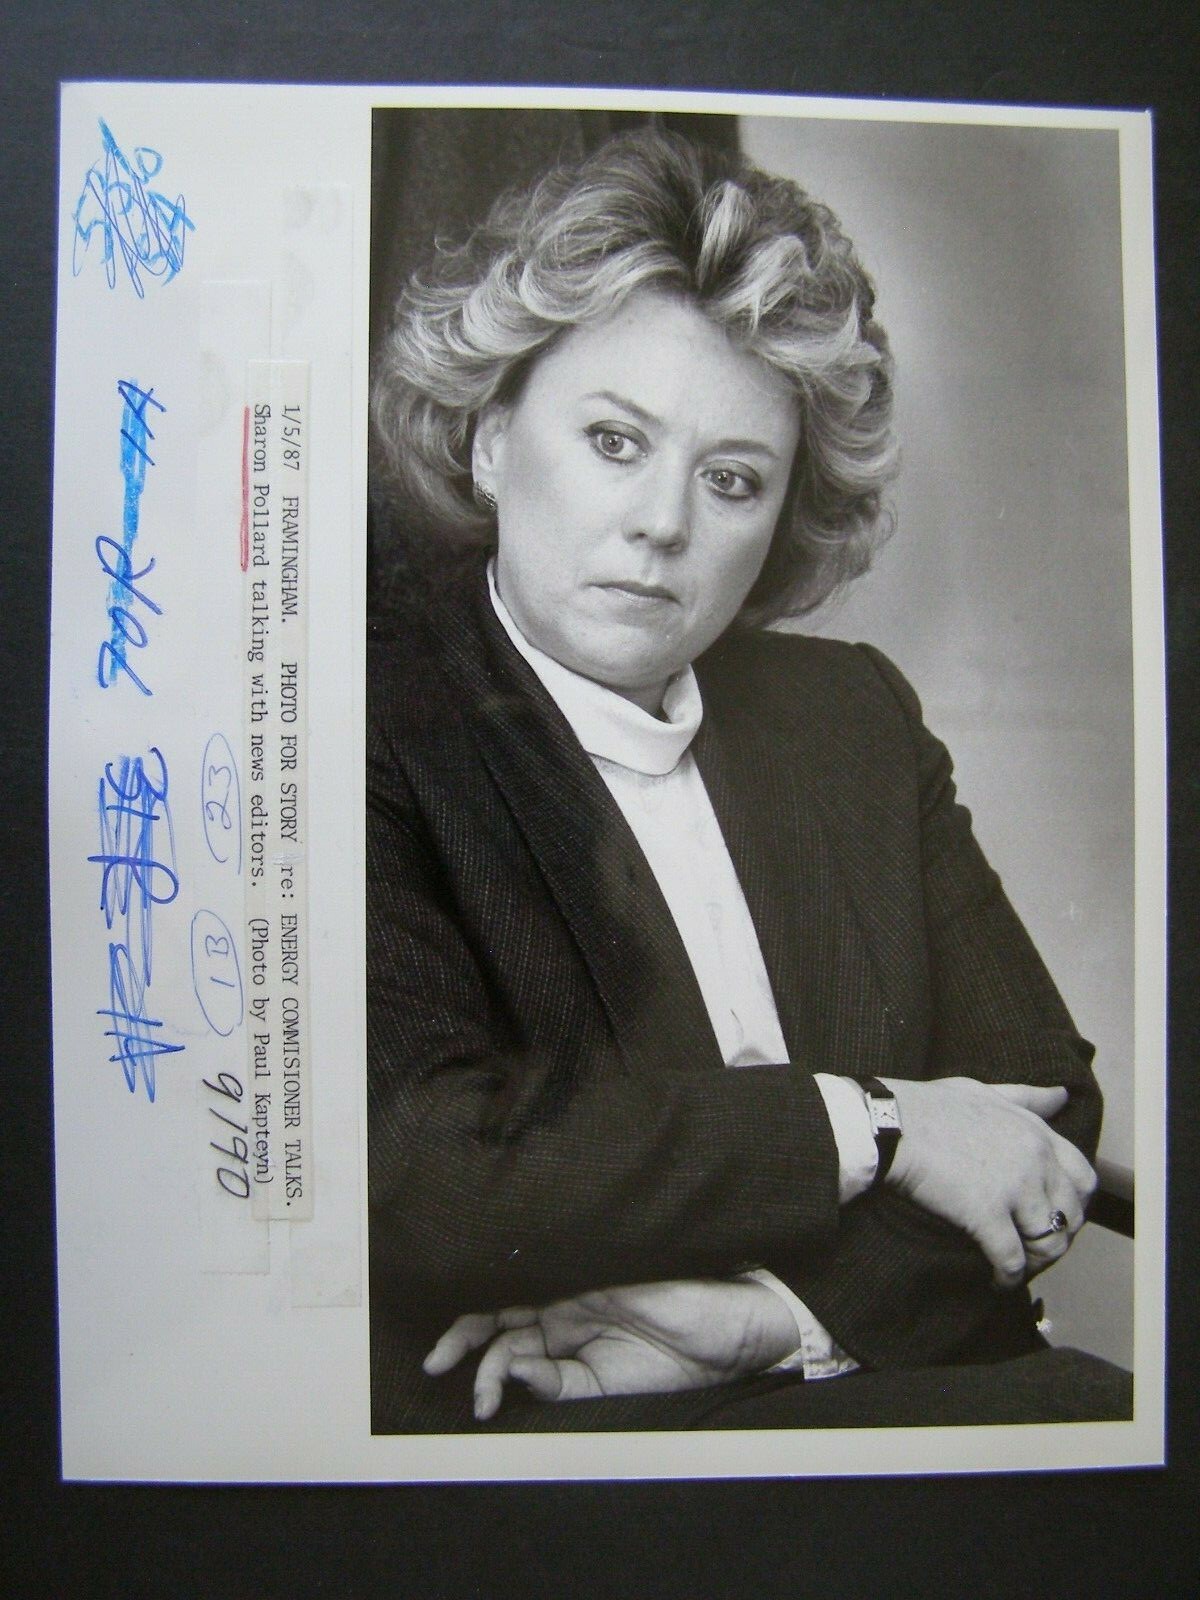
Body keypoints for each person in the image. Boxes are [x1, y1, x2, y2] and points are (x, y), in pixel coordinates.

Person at [367, 126, 1131, 1433]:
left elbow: (1041, 1100)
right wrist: (879, 1124)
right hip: (558, 1429)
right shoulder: (377, 729)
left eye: (732, 480)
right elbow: (430, 1168)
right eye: (615, 442)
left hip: (885, 1374)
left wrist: (783, 1320)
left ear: (782, 517)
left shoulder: (853, 720)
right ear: (494, 445)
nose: (666, 522)